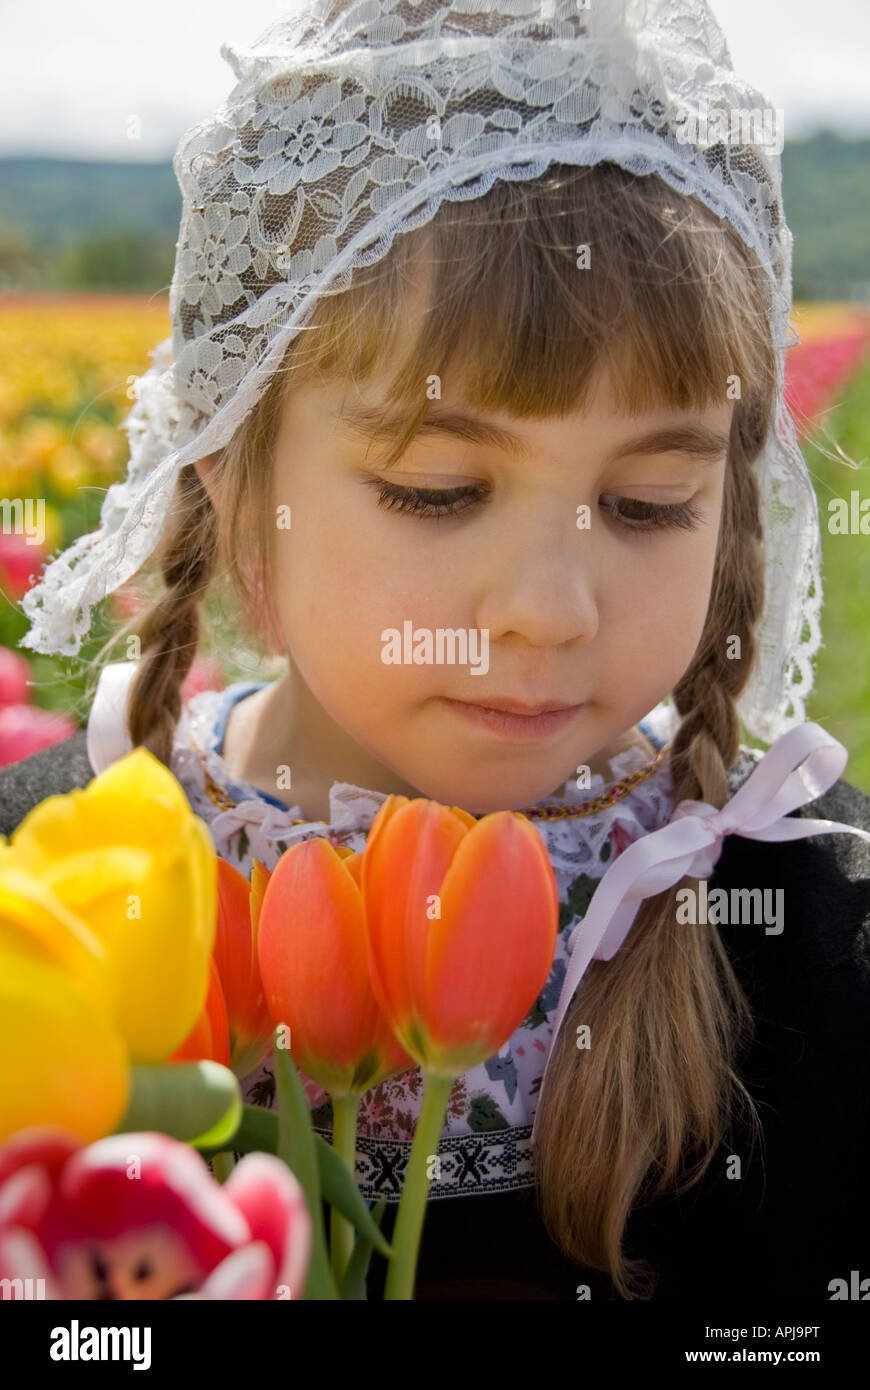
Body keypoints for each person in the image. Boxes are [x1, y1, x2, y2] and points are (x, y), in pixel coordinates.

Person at [3, 0, 869, 1301]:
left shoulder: (805, 923)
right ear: (238, 492)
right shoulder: (54, 892)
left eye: (645, 503)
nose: (550, 610)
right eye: (436, 489)